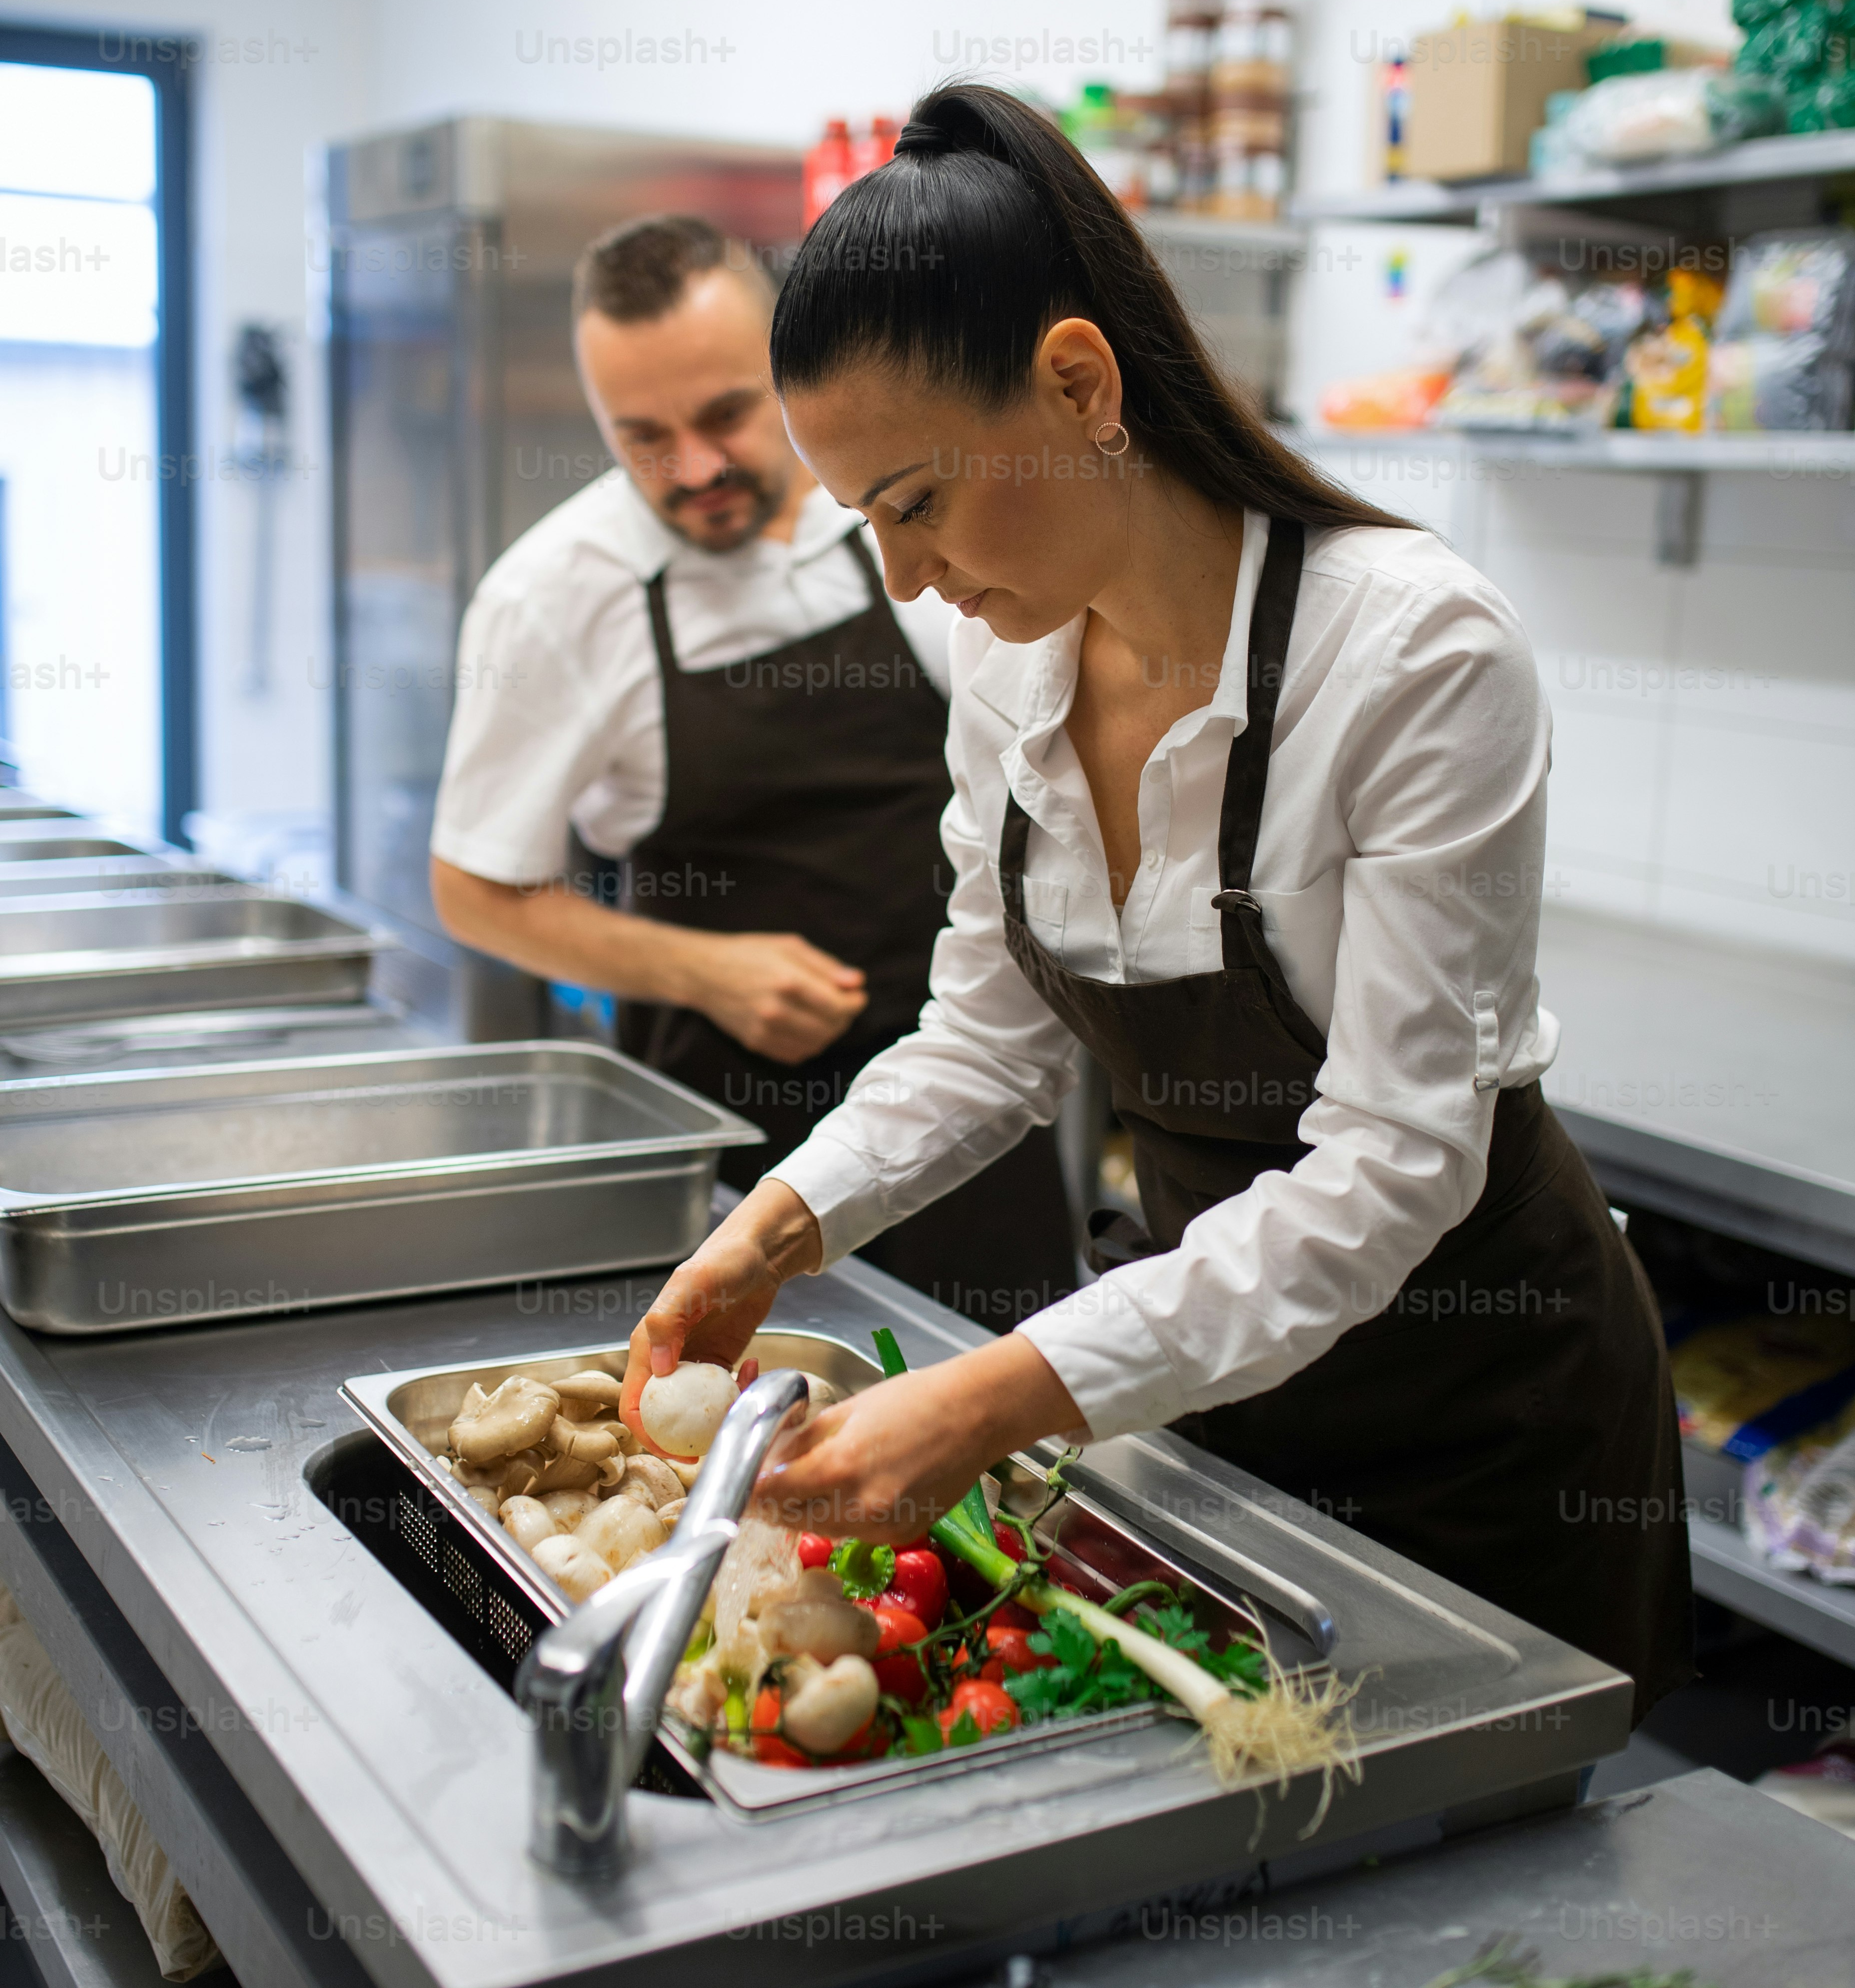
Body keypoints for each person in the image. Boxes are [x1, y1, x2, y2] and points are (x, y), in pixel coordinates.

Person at [622, 87, 1692, 1724]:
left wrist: (996, 1393)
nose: (903, 577)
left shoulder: (1410, 655)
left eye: (918, 499)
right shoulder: (1008, 654)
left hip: (1483, 1404)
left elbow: (1394, 1165)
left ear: (1076, 383)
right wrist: (771, 1227)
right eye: (868, 523)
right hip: (1207, 1368)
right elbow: (984, 1045)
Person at [429, 211, 1075, 1329]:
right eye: (643, 436)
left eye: (727, 414)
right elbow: (473, 889)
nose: (696, 467)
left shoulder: (910, 514)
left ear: (785, 366)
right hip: (730, 1139)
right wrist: (704, 969)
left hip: (970, 1099)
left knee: (1012, 1459)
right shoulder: (551, 598)